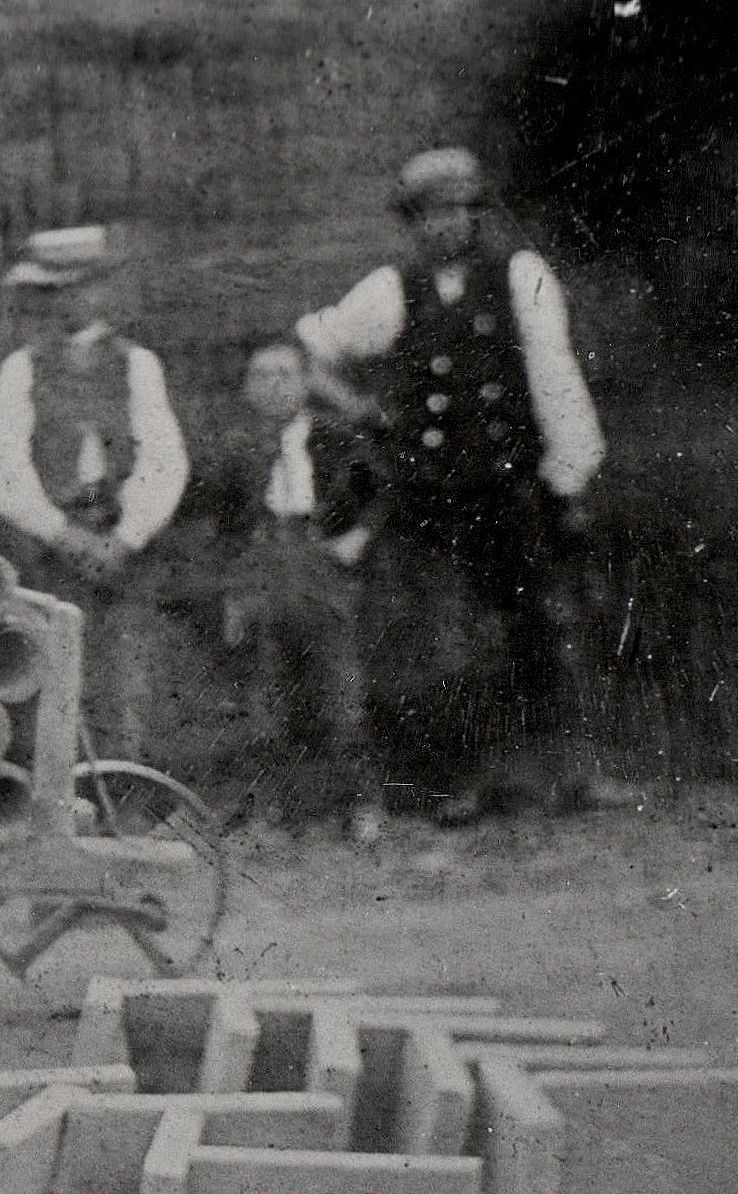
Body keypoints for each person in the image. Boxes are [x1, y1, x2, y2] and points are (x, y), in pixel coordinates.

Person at [291, 145, 638, 824]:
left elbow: (555, 376)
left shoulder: (519, 277)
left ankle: (571, 775)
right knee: (450, 641)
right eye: (429, 214)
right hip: (432, 500)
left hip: (515, 490)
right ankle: (472, 782)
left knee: (543, 627)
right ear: (412, 222)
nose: (444, 225)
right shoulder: (391, 290)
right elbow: (312, 354)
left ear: (476, 214)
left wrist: (568, 474)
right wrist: (361, 409)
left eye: (457, 210)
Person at [0, 225, 189, 761]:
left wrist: (126, 537)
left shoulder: (137, 364)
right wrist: (62, 533)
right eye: (57, 291)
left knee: (124, 674)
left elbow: (164, 460)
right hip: (52, 542)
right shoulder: (21, 368)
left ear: (103, 290)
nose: (72, 301)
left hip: (121, 540)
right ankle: (62, 797)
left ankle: (126, 792)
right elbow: (6, 471)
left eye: (83, 287)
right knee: (51, 672)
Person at [221, 342, 385, 844]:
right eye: (263, 375)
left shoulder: (336, 438)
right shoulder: (236, 447)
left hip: (320, 563)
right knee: (268, 694)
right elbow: (224, 523)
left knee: (339, 691)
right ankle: (273, 809)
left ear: (305, 382)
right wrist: (236, 586)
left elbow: (380, 492)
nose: (274, 385)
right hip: (264, 564)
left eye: (285, 374)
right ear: (248, 387)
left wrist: (357, 538)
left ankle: (360, 805)